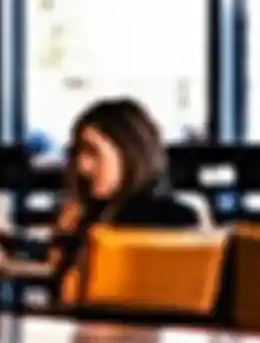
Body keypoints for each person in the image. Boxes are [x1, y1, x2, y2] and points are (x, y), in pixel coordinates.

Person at [50, 98, 201, 300]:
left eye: (93, 153)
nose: (82, 167)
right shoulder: (94, 212)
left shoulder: (165, 218)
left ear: (128, 153)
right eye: (78, 153)